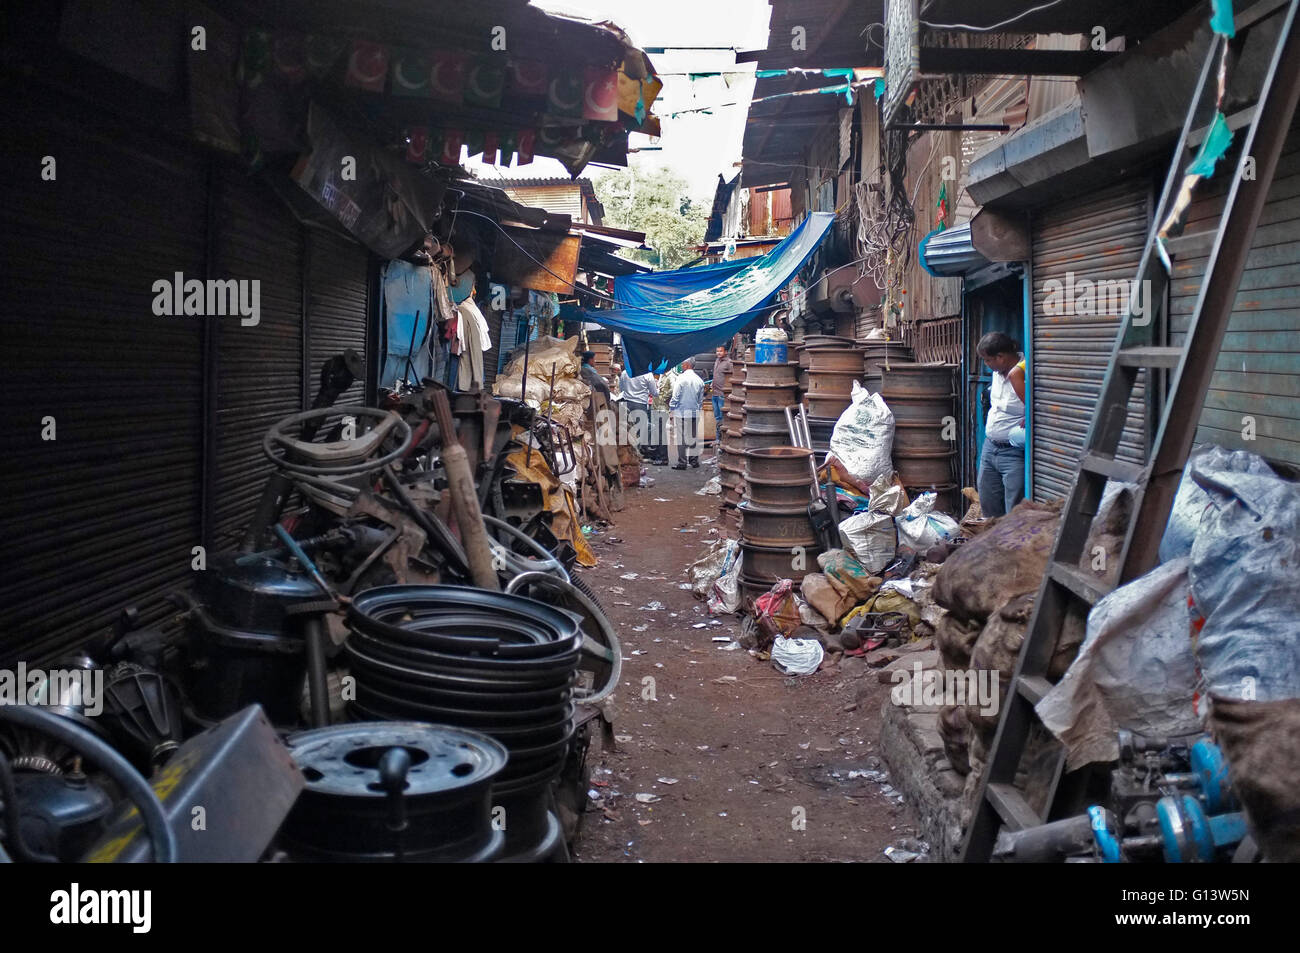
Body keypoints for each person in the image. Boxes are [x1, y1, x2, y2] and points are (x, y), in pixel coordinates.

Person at [976, 332, 1027, 518]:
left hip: (1013, 454)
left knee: (1014, 510)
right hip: (990, 448)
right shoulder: (998, 372)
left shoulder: (1026, 371)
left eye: (988, 360)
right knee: (988, 504)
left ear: (1001, 357)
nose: (986, 365)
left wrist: (1029, 415)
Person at [619, 364, 660, 462]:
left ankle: (629, 455)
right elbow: (654, 392)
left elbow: (621, 389)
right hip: (640, 404)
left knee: (627, 430)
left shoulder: (625, 373)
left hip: (626, 403)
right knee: (641, 432)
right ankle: (639, 455)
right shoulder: (647, 374)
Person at [669, 358, 705, 469]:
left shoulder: (681, 378)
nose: (681, 365)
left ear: (686, 365)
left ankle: (682, 462)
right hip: (694, 412)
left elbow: (676, 396)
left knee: (681, 438)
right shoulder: (699, 380)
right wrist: (697, 409)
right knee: (693, 436)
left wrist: (671, 407)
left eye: (682, 364)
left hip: (681, 411)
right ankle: (694, 461)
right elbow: (700, 400)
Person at [710, 345, 731, 437]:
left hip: (722, 394)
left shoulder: (729, 363)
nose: (718, 353)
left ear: (725, 352)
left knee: (722, 417)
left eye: (721, 351)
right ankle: (718, 438)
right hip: (714, 393)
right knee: (717, 417)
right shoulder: (717, 361)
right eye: (717, 351)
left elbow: (731, 377)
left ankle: (721, 438)